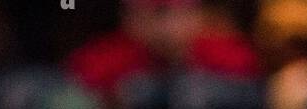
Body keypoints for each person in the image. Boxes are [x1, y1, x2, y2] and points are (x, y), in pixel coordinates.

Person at [64, 0, 260, 102]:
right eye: (158, 13)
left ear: (198, 15)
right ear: (131, 17)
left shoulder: (230, 57)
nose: (168, 26)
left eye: (179, 13)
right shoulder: (100, 62)